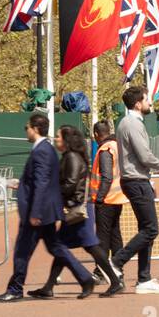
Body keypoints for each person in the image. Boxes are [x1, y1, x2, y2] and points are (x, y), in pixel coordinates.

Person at [0, 112, 96, 302]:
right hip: (45, 210)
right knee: (57, 248)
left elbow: (41, 183)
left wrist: (35, 212)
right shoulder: (46, 149)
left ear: (35, 129)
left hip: (38, 211)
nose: (26, 131)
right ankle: (85, 278)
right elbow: (42, 180)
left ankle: (15, 289)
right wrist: (21, 183)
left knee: (22, 251)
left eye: (27, 128)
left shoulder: (41, 151)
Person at [29, 126, 123, 298]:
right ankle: (49, 286)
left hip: (78, 209)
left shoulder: (71, 157)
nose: (56, 139)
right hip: (76, 207)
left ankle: (111, 281)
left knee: (85, 246)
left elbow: (70, 183)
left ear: (66, 140)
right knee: (64, 247)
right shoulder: (70, 156)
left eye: (58, 137)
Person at [112, 86, 159, 294]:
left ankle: (144, 279)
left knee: (146, 229)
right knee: (151, 229)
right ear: (138, 103)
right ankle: (116, 262)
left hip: (137, 179)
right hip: (136, 180)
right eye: (147, 100)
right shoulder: (131, 124)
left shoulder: (131, 123)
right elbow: (144, 156)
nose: (150, 103)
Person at [88, 119, 125, 284]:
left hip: (106, 199)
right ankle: (118, 268)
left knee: (102, 238)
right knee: (115, 235)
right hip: (117, 198)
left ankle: (101, 271)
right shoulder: (116, 146)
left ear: (96, 134)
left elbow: (107, 176)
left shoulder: (105, 149)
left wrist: (100, 197)